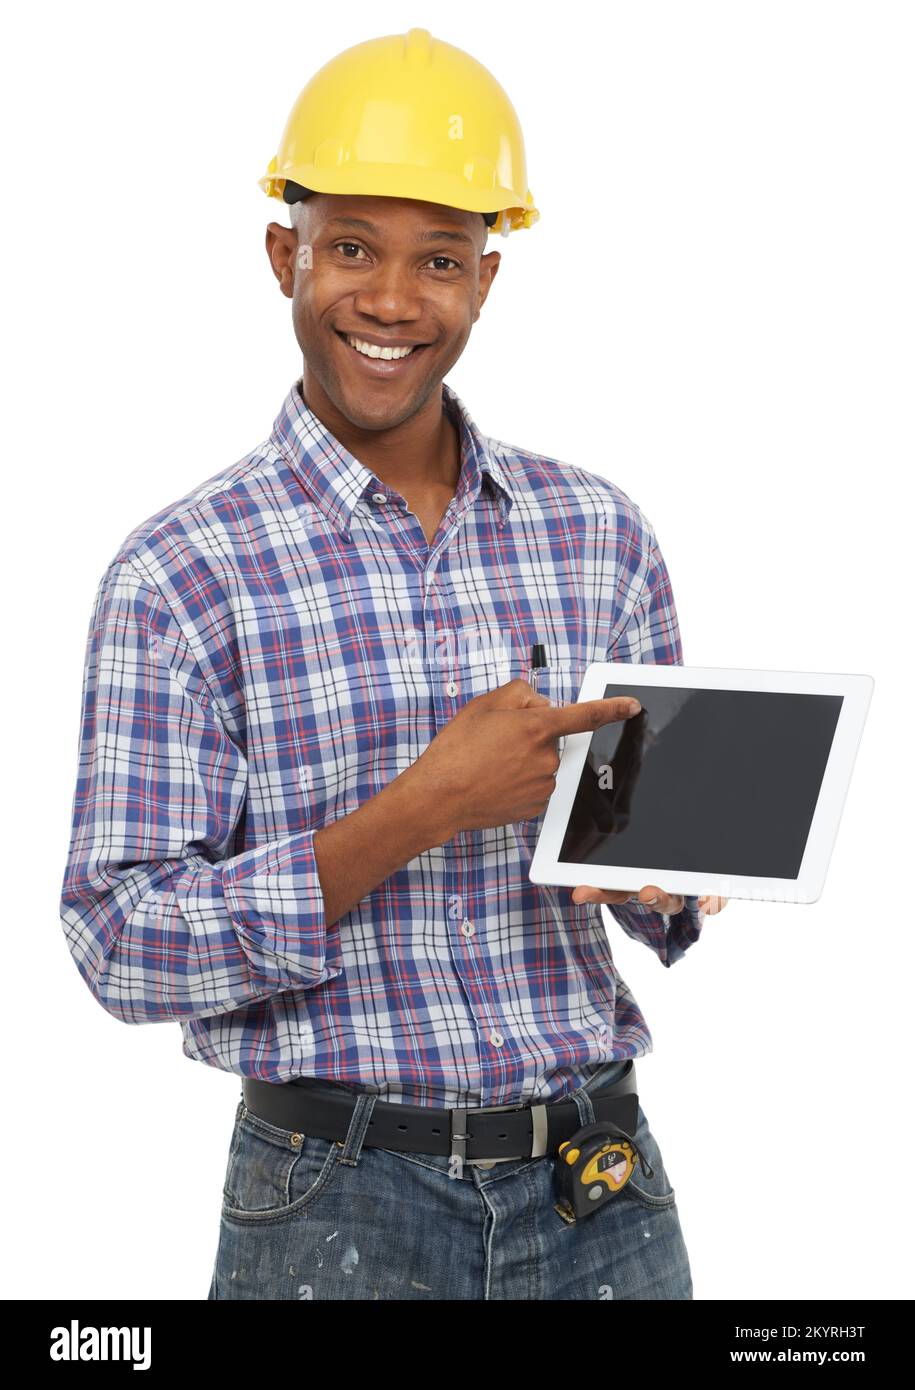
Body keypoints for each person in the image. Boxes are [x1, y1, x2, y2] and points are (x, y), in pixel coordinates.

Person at [59, 26, 727, 1301]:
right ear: (284, 256)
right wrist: (420, 811)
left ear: (487, 280)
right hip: (335, 1202)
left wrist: (668, 878)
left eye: (438, 260)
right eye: (352, 246)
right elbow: (118, 939)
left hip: (602, 1186)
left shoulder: (599, 533)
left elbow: (653, 880)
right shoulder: (181, 576)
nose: (390, 300)